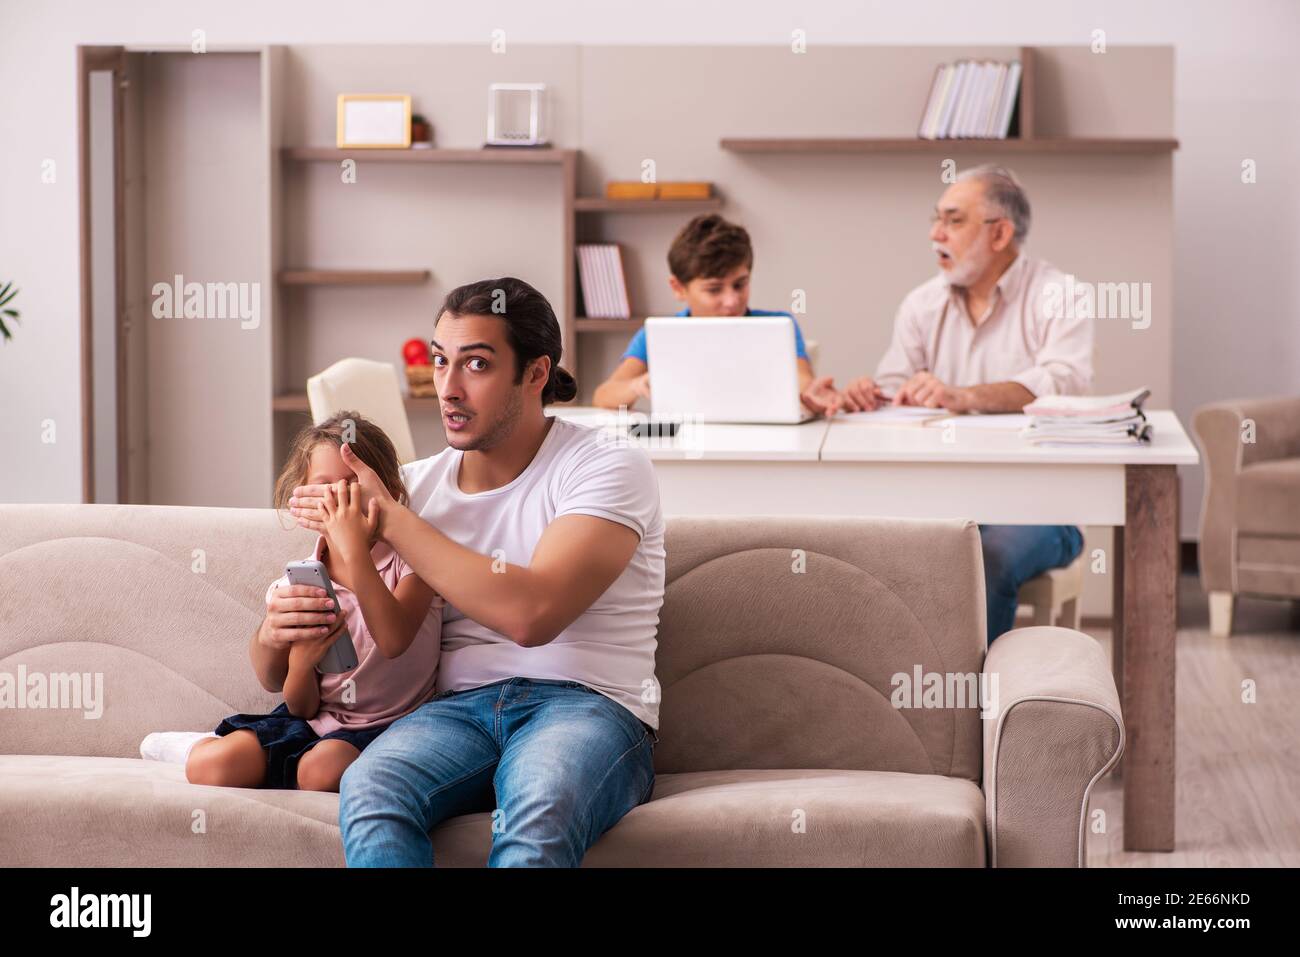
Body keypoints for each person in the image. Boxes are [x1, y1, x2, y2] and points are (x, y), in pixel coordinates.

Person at [285, 276, 665, 867]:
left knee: (541, 803)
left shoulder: (607, 465)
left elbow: (532, 614)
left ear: (536, 374)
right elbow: (352, 600)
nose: (448, 388)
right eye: (441, 362)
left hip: (589, 705)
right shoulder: (416, 485)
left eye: (478, 364)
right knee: (371, 786)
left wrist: (390, 517)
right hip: (455, 710)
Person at [804, 165, 1093, 643]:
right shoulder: (921, 304)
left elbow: (1063, 383)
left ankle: (975, 711)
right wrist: (868, 396)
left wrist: (964, 397)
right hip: (942, 500)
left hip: (1041, 505)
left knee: (987, 558)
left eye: (954, 221)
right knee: (866, 548)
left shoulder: (1062, 295)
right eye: (936, 219)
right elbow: (898, 387)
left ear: (999, 233)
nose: (936, 234)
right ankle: (895, 698)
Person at [186, 412, 442, 792]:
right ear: (303, 495)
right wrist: (289, 651)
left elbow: (393, 639)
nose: (339, 501)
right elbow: (287, 693)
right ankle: (198, 744)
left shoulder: (413, 560)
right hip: (314, 721)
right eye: (324, 487)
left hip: (390, 727)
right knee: (209, 767)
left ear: (388, 490)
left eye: (352, 485)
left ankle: (288, 768)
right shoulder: (303, 580)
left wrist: (352, 546)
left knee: (320, 771)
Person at [592, 213, 841, 414]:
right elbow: (603, 395)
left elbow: (801, 379)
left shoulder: (778, 325)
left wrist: (812, 391)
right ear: (678, 288)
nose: (732, 301)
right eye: (714, 289)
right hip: (689, 444)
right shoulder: (657, 335)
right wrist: (637, 385)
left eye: (740, 284)